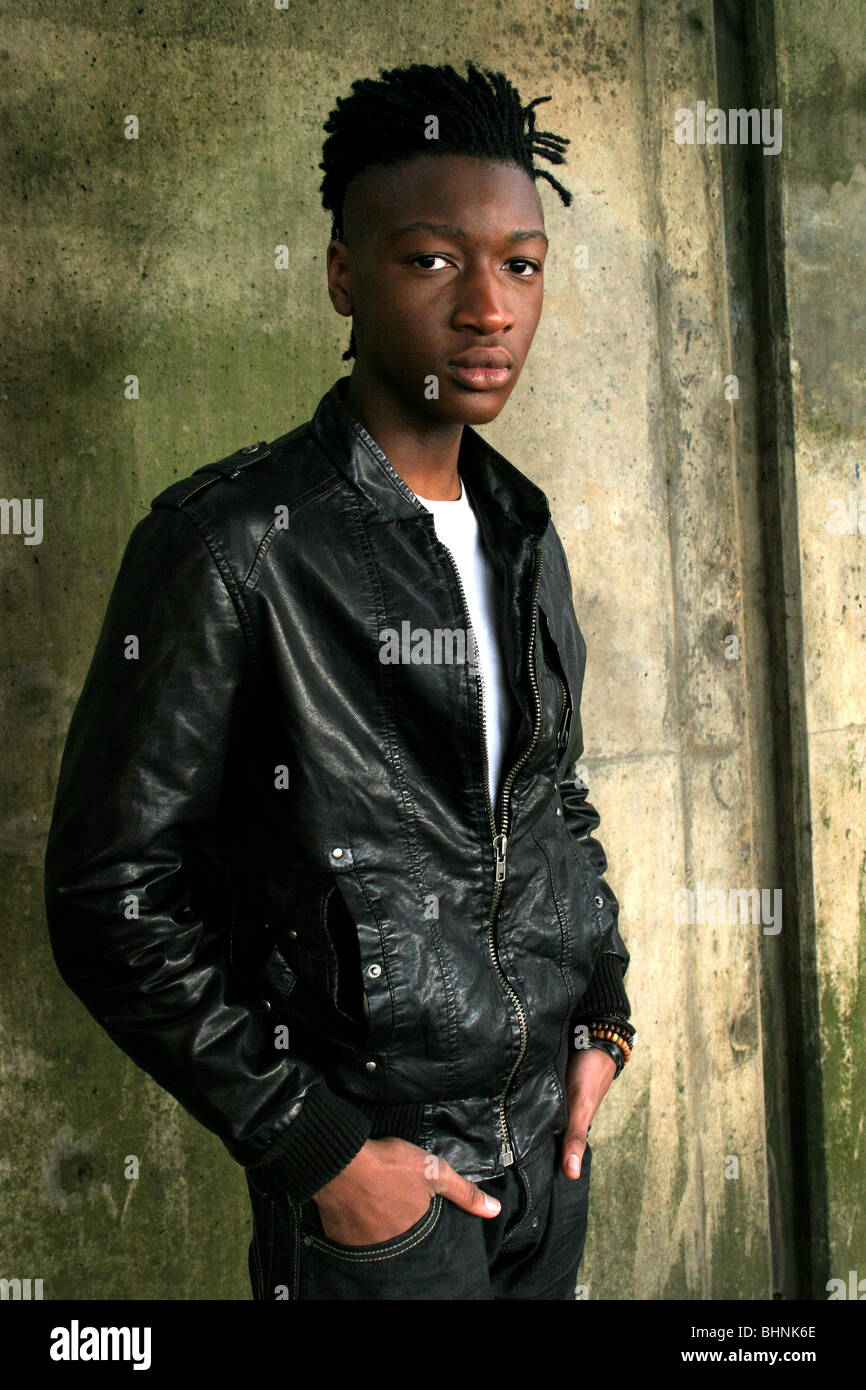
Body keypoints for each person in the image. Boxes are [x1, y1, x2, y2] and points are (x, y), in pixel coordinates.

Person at [44, 61, 635, 1301]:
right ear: (340, 276)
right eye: (431, 260)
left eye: (519, 265)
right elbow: (111, 893)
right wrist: (317, 1153)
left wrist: (602, 1015)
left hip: (550, 1155)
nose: (487, 308)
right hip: (382, 1191)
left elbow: (547, 802)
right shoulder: (232, 544)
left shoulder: (521, 530)